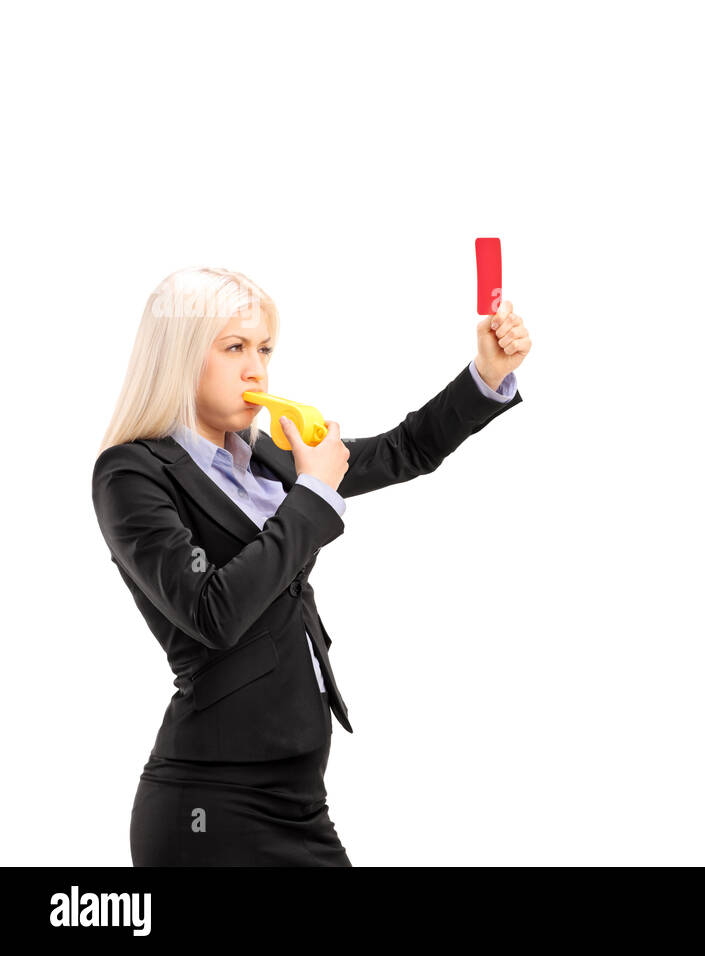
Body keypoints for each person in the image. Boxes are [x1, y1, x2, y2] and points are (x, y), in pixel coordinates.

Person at [92, 267, 529, 865]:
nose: (257, 370)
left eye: (265, 349)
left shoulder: (270, 460)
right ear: (179, 355)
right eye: (235, 347)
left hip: (299, 798)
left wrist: (488, 375)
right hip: (211, 807)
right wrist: (313, 495)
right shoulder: (132, 474)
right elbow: (213, 612)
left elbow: (406, 449)